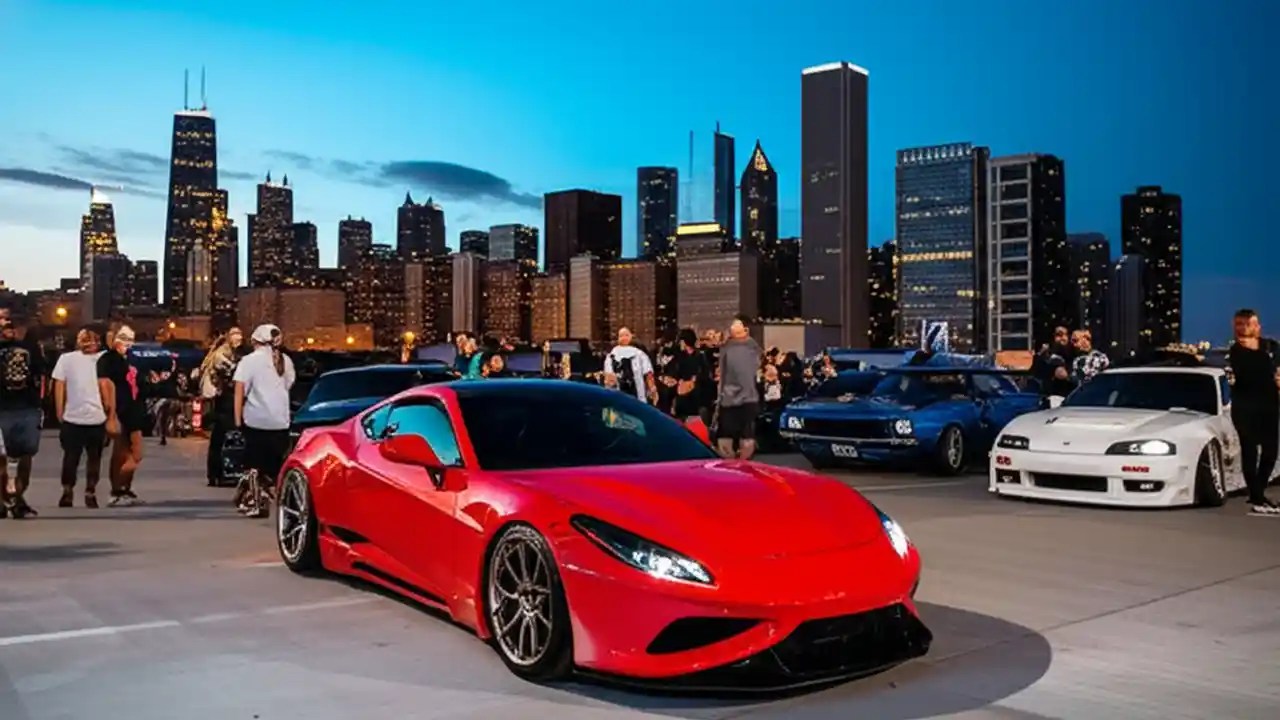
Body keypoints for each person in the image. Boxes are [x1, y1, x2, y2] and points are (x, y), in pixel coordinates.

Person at [233, 324, 296, 517]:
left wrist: (237, 419)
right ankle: (278, 497)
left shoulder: (248, 361)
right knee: (274, 465)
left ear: (256, 341)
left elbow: (239, 391)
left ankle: (256, 502)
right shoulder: (286, 361)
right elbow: (288, 385)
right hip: (280, 420)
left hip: (256, 420)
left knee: (253, 464)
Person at [1226, 309, 1279, 515]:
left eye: (1248, 323)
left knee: (1271, 451)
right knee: (1249, 451)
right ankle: (1257, 497)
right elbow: (1238, 378)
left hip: (1270, 406)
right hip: (1245, 407)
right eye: (1239, 324)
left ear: (1257, 326)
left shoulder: (1271, 347)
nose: (1243, 328)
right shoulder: (1235, 353)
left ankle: (1258, 491)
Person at [52, 327, 107, 508]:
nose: (89, 343)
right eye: (85, 339)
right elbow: (59, 384)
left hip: (98, 417)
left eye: (93, 340)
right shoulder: (66, 359)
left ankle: (90, 490)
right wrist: (59, 410)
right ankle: (67, 490)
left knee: (94, 458)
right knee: (71, 457)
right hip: (72, 417)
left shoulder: (103, 359)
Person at [0, 309, 46, 518]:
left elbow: (41, 373)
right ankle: (3, 500)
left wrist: (41, 403)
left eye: (10, 322)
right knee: (1, 458)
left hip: (27, 407)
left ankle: (18, 497)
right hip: (2, 408)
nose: (7, 326)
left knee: (26, 455)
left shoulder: (31, 347)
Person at [97, 325, 146, 507]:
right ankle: (117, 490)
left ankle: (124, 487)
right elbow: (104, 385)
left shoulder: (131, 358)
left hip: (134, 410)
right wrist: (110, 413)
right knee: (120, 453)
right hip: (118, 409)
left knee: (136, 453)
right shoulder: (108, 360)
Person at [199, 327, 246, 486]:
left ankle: (220, 473)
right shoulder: (221, 354)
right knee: (222, 436)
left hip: (227, 400)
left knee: (223, 437)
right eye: (235, 335)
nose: (238, 338)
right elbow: (232, 373)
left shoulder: (232, 353)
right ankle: (217, 473)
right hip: (224, 400)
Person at [716, 315, 763, 460]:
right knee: (725, 439)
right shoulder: (725, 347)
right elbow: (722, 373)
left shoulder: (753, 348)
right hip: (728, 399)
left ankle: (743, 463)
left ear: (745, 329)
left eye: (736, 324)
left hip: (747, 398)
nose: (732, 327)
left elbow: (751, 373)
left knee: (747, 437)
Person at [603, 327, 656, 404]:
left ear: (631, 337)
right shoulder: (611, 356)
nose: (624, 338)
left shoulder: (640, 354)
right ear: (618, 338)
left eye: (626, 335)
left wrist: (652, 387)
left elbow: (648, 372)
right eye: (621, 336)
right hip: (617, 394)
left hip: (637, 394)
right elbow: (608, 375)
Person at [671, 329, 702, 421]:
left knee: (693, 420)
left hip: (694, 395)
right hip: (680, 395)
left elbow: (704, 374)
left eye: (681, 341)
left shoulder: (700, 356)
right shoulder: (679, 356)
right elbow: (674, 373)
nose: (680, 344)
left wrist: (693, 381)